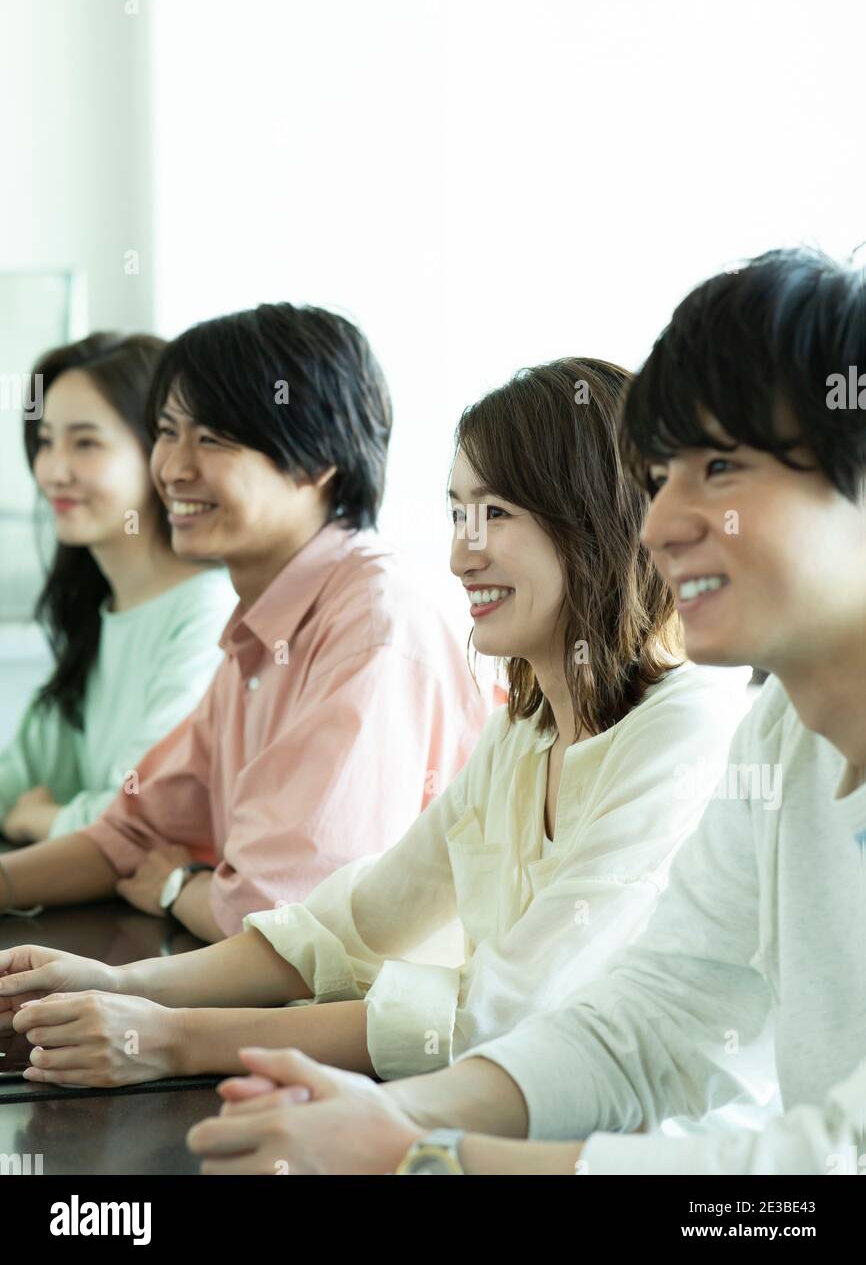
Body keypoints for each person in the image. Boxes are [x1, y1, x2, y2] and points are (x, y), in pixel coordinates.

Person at [176, 246, 864, 1177]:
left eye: (724, 468)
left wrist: (431, 1157)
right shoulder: (780, 735)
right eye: (658, 478)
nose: (659, 525)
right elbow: (650, 1022)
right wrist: (396, 1123)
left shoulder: (700, 724)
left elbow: (823, 1169)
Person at [0, 358, 751, 1096]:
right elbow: (349, 925)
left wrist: (171, 1040)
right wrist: (121, 984)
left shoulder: (685, 727)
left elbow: (496, 1016)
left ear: (598, 520)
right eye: (458, 514)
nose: (462, 553)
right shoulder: (522, 738)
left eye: (497, 514)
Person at [0, 303, 490, 941]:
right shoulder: (261, 624)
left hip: (366, 1027)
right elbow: (133, 830)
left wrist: (179, 887)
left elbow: (286, 918)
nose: (172, 468)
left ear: (318, 461)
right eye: (168, 433)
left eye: (211, 439)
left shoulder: (372, 622)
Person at [0, 332, 236, 846]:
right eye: (45, 442)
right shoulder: (101, 609)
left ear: (160, 455)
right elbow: (21, 771)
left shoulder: (207, 610)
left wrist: (43, 821)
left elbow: (150, 810)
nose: (53, 471)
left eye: (85, 443)